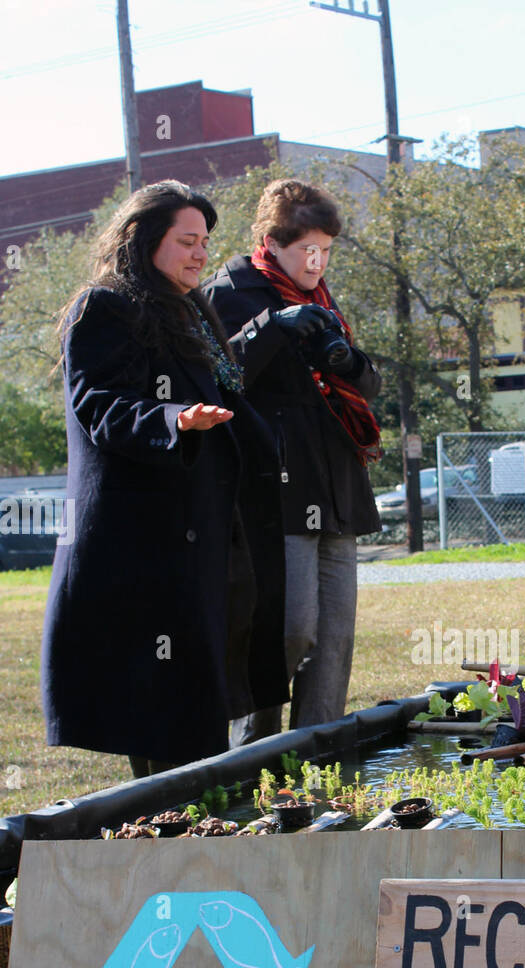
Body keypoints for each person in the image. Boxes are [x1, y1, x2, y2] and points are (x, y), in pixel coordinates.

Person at [41, 181, 288, 777]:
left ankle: (194, 822)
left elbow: (234, 404)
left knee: (200, 694)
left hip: (206, 534)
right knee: (157, 706)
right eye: (187, 240)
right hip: (141, 544)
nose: (201, 254)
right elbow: (99, 404)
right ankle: (164, 833)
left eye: (205, 242)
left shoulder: (194, 314)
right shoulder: (105, 307)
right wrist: (173, 419)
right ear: (144, 238)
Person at [202, 178, 382, 743]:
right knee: (291, 629)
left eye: (326, 249)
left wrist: (350, 362)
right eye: (307, 249)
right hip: (272, 490)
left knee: (333, 640)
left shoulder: (322, 296)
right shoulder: (228, 290)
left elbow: (366, 386)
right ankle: (249, 755)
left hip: (336, 484)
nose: (317, 260)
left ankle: (316, 765)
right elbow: (216, 378)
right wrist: (269, 328)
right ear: (270, 241)